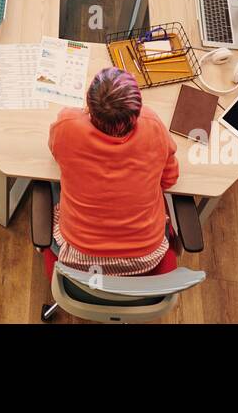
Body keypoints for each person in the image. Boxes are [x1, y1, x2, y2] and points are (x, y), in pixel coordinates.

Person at [47, 67, 180, 276]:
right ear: (137, 110)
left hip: (79, 258)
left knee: (52, 184)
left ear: (90, 107)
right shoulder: (152, 125)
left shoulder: (67, 125)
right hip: (145, 258)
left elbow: (56, 153)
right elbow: (170, 179)